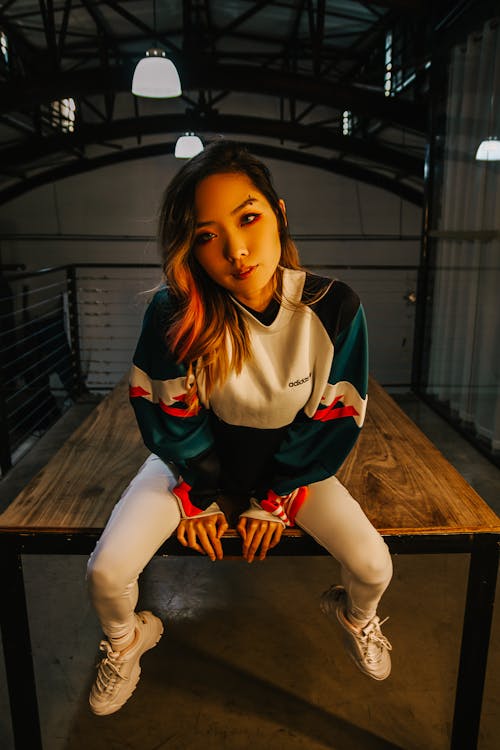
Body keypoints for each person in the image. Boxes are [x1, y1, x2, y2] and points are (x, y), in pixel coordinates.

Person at [86, 140, 393, 717]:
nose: (236, 249)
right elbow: (168, 412)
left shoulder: (333, 308)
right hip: (191, 465)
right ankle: (129, 640)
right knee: (105, 572)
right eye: (207, 235)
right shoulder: (175, 311)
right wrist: (197, 495)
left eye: (248, 217)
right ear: (191, 249)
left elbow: (334, 415)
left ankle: (353, 616)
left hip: (289, 467)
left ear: (278, 211)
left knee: (375, 566)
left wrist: (276, 499)